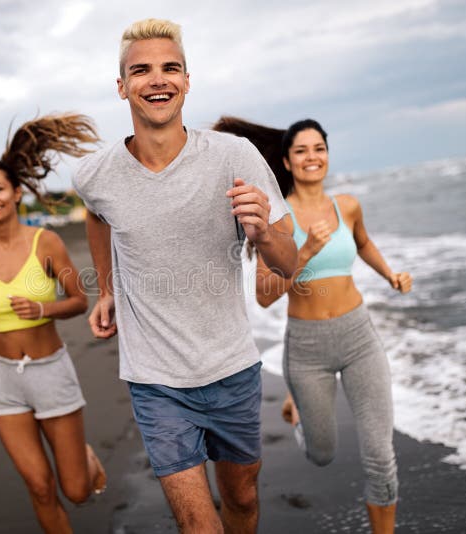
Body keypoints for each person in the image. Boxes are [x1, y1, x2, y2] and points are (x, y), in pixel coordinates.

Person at [71, 19, 297, 534]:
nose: (157, 80)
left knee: (241, 499)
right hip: (155, 381)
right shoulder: (95, 174)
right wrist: (105, 289)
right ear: (122, 85)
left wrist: (263, 232)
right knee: (198, 524)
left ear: (187, 80)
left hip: (232, 367)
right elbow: (96, 212)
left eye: (170, 68)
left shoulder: (234, 156)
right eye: (141, 70)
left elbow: (289, 264)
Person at [214, 116, 412, 534]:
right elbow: (266, 294)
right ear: (285, 160)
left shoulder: (348, 206)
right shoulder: (276, 220)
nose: (311, 157)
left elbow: (362, 242)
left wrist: (390, 275)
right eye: (301, 150)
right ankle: (299, 410)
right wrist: (305, 251)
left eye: (318, 148)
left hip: (360, 337)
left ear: (327, 154)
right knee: (321, 453)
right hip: (306, 349)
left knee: (380, 454)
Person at [0, 113, 106, 533]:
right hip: (2, 381)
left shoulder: (46, 242)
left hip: (50, 372)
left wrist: (43, 310)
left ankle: (85, 455)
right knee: (40, 489)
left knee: (76, 490)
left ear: (16, 193)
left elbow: (79, 299)